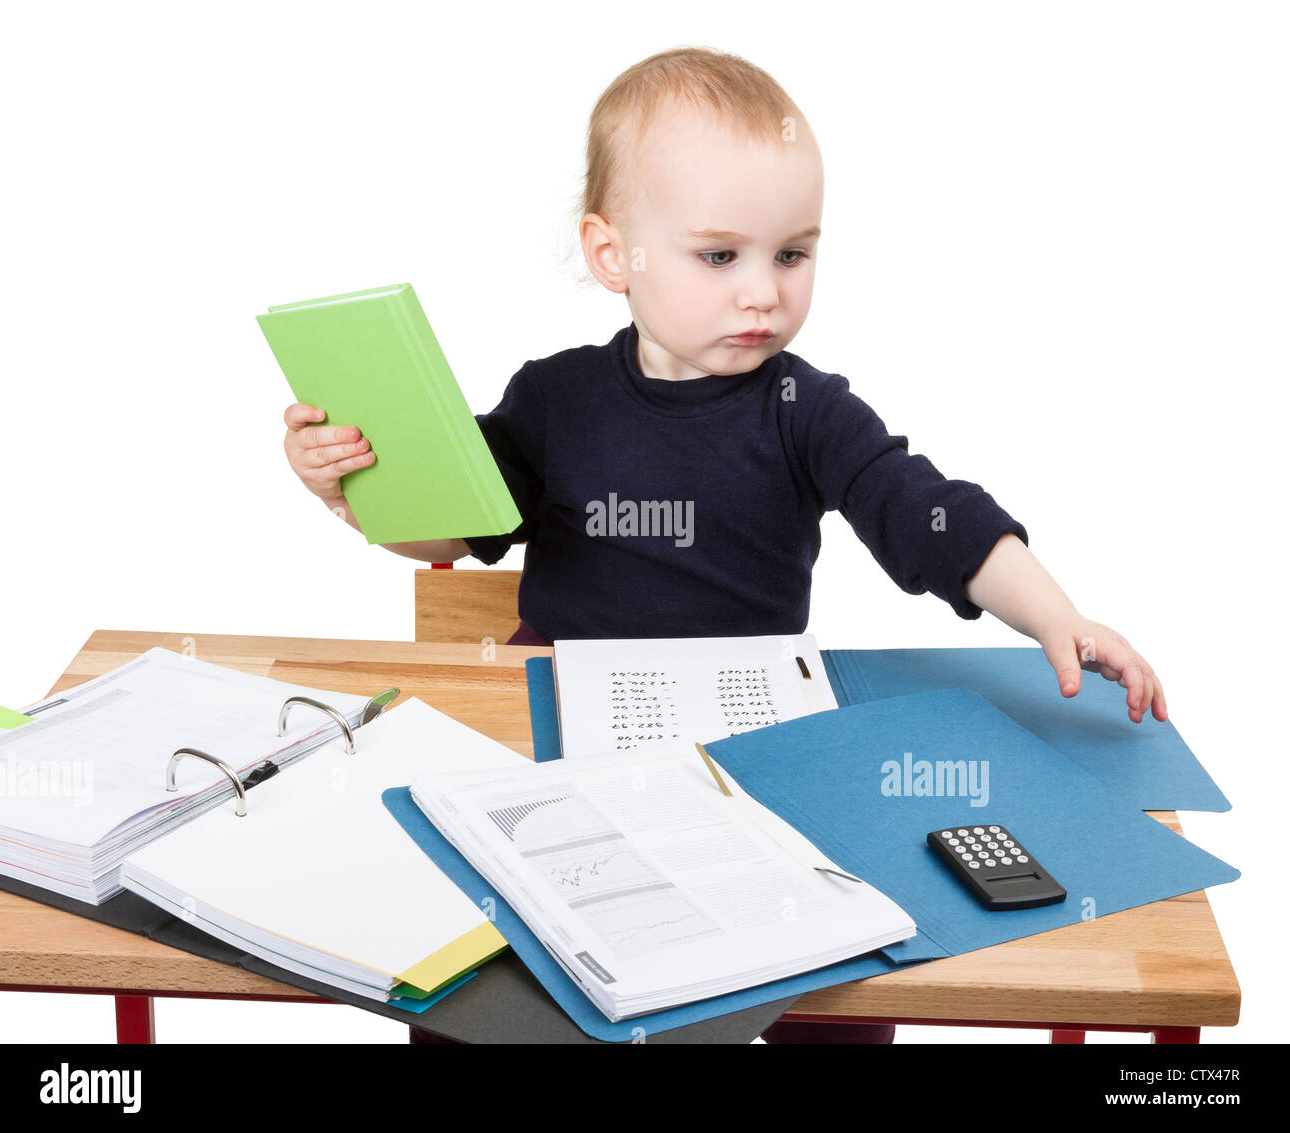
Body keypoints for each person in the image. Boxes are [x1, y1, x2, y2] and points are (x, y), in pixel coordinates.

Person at [281, 47, 1168, 1044]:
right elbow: (457, 525)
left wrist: (1058, 614)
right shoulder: (556, 396)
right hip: (562, 710)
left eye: (791, 255)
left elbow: (930, 514)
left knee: (851, 953)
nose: (763, 294)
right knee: (484, 935)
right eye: (720, 256)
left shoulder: (807, 407)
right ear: (615, 254)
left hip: (748, 732)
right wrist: (347, 494)